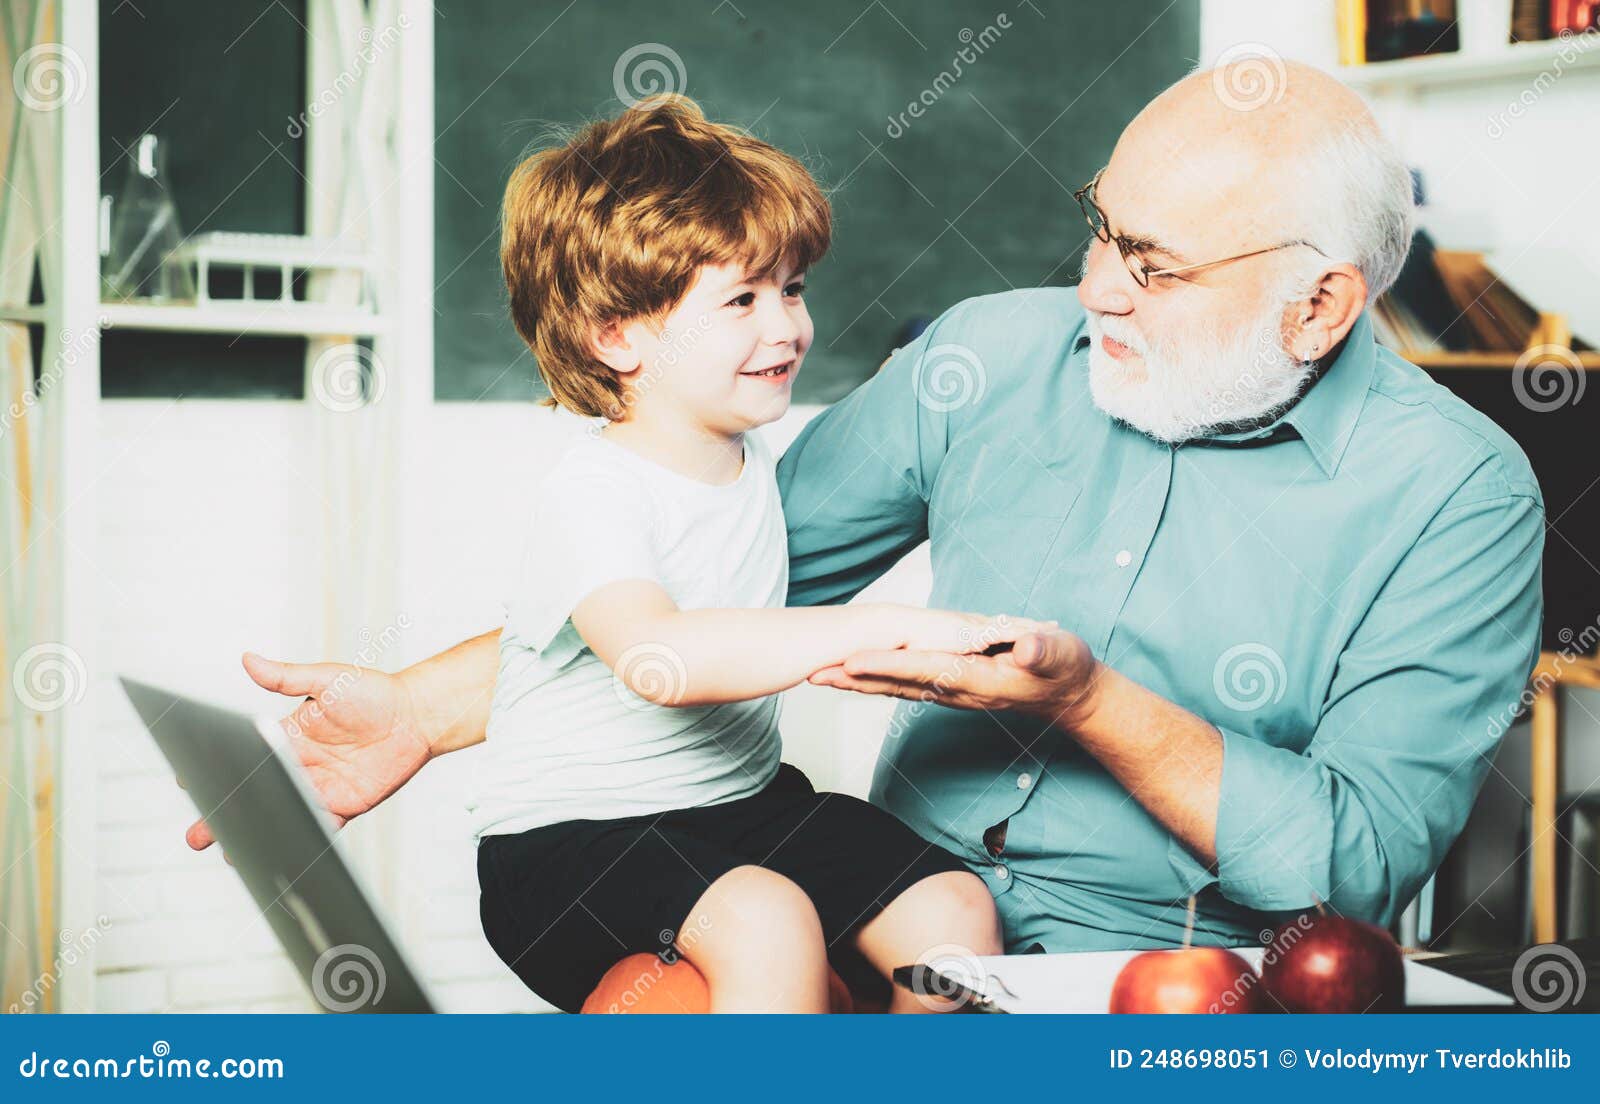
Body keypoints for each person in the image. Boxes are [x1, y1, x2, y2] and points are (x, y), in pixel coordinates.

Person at [192, 61, 1542, 966]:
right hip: (884, 908)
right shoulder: (990, 359)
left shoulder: (1459, 497)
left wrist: (1089, 702)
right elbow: (727, 595)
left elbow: (1355, 866)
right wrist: (421, 713)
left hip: (1163, 974)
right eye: (1099, 228)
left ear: (1319, 305)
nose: (1096, 291)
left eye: (1154, 265)